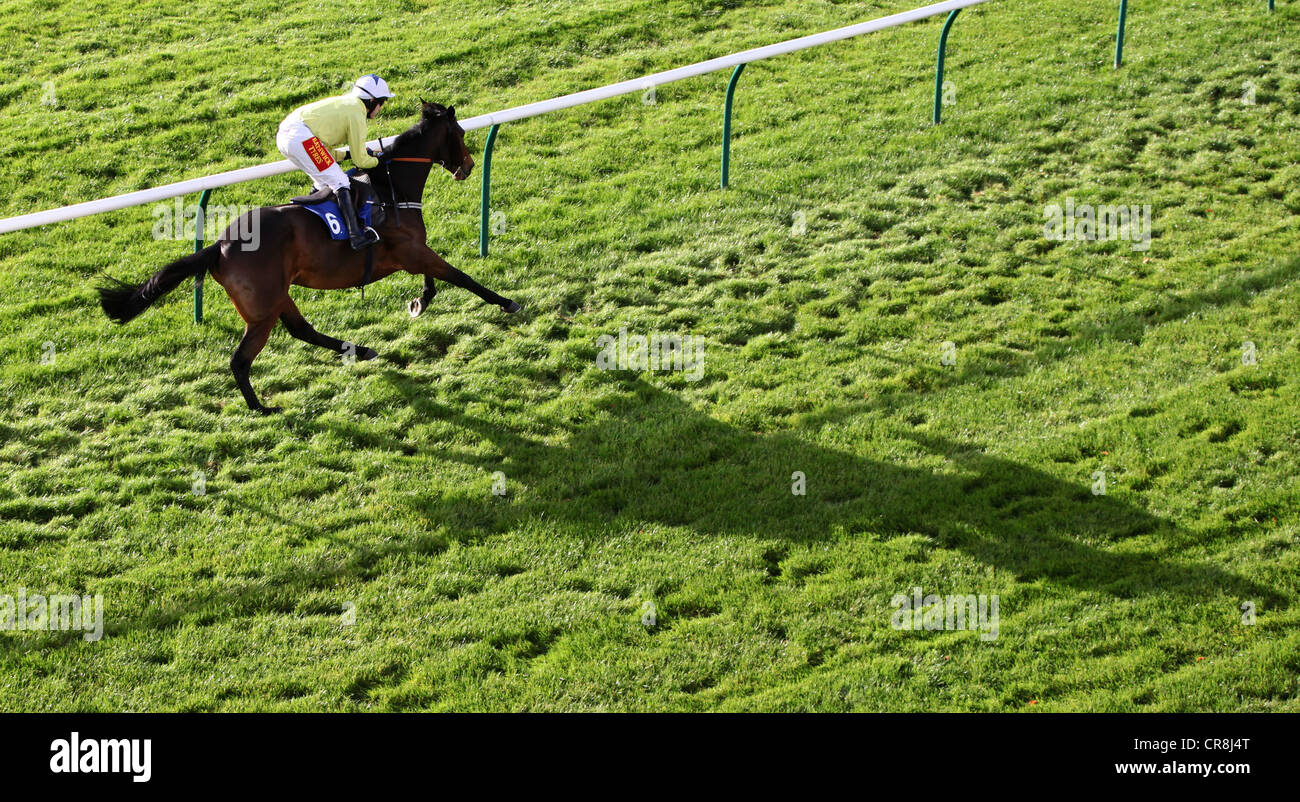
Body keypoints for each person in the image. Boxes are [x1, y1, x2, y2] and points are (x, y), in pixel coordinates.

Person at [276, 74, 393, 249]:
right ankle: (356, 238)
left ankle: (313, 226)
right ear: (371, 100)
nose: (381, 108)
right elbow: (361, 160)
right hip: (300, 136)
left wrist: (348, 155)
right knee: (340, 181)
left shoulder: (348, 105)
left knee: (324, 181)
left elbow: (329, 153)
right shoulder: (356, 113)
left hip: (288, 135)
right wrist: (380, 159)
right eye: (382, 102)